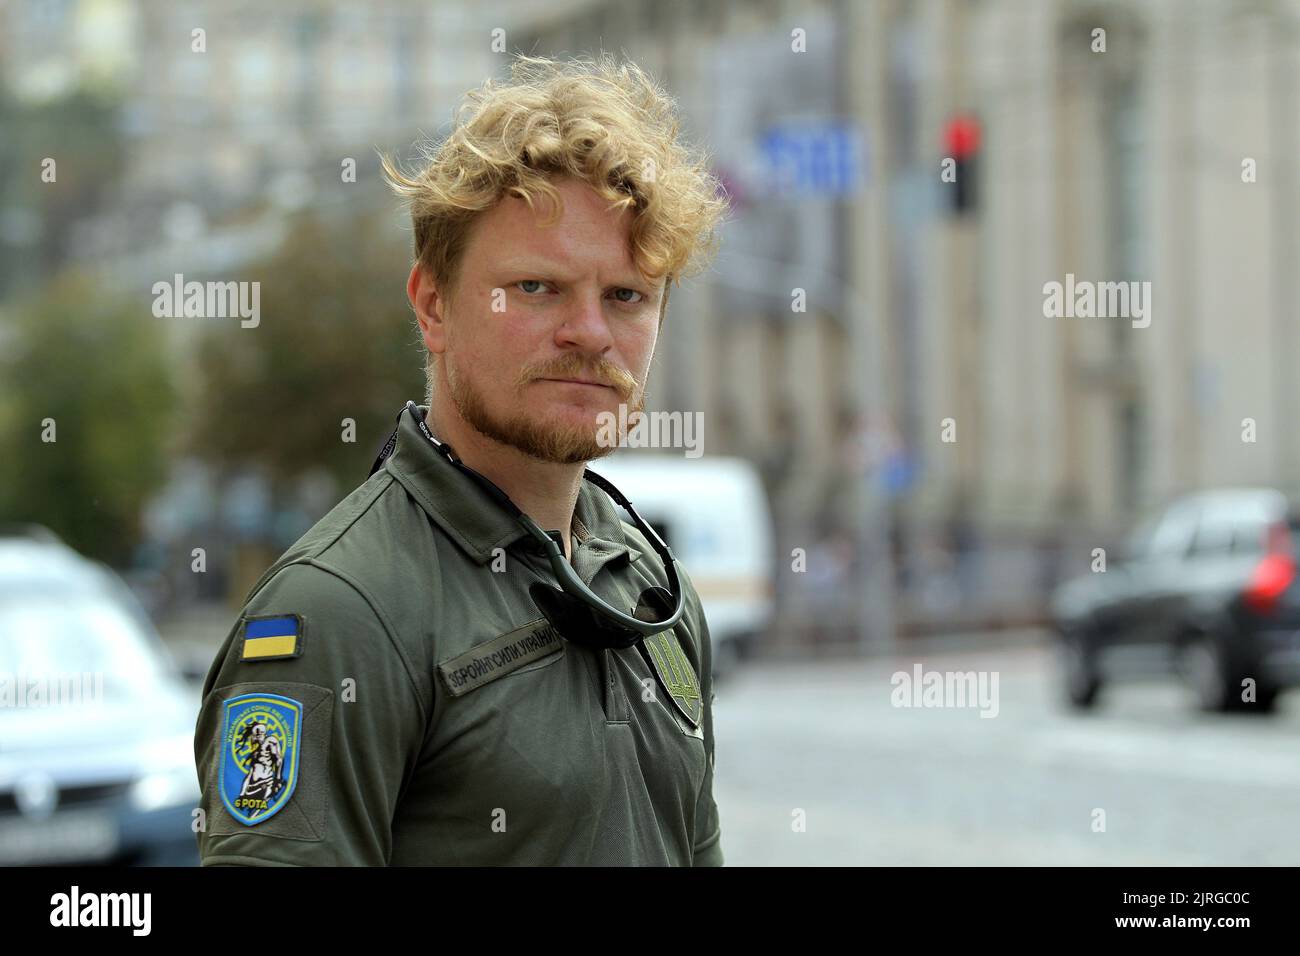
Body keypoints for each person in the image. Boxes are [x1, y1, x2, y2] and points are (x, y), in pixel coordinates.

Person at [193, 53, 729, 865]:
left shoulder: (649, 589)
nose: (590, 332)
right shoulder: (337, 614)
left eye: (626, 295)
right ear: (434, 306)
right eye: (537, 288)